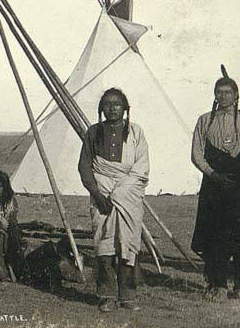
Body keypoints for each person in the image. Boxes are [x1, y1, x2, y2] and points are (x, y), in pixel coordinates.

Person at [190, 66, 240, 300]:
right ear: (214, 95)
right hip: (215, 186)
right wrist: (214, 174)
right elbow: (197, 154)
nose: (223, 96)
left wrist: (236, 172)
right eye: (219, 92)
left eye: (227, 92)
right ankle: (218, 286)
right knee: (216, 235)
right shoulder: (204, 121)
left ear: (236, 95)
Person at [78, 88, 149, 312]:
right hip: (101, 195)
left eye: (117, 104)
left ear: (125, 108)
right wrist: (99, 196)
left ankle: (128, 296)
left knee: (127, 244)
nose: (112, 108)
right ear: (101, 109)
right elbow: (85, 167)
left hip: (128, 197)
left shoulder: (136, 133)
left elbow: (141, 169)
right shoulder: (93, 132)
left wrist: (119, 194)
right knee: (104, 246)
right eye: (107, 104)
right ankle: (106, 295)